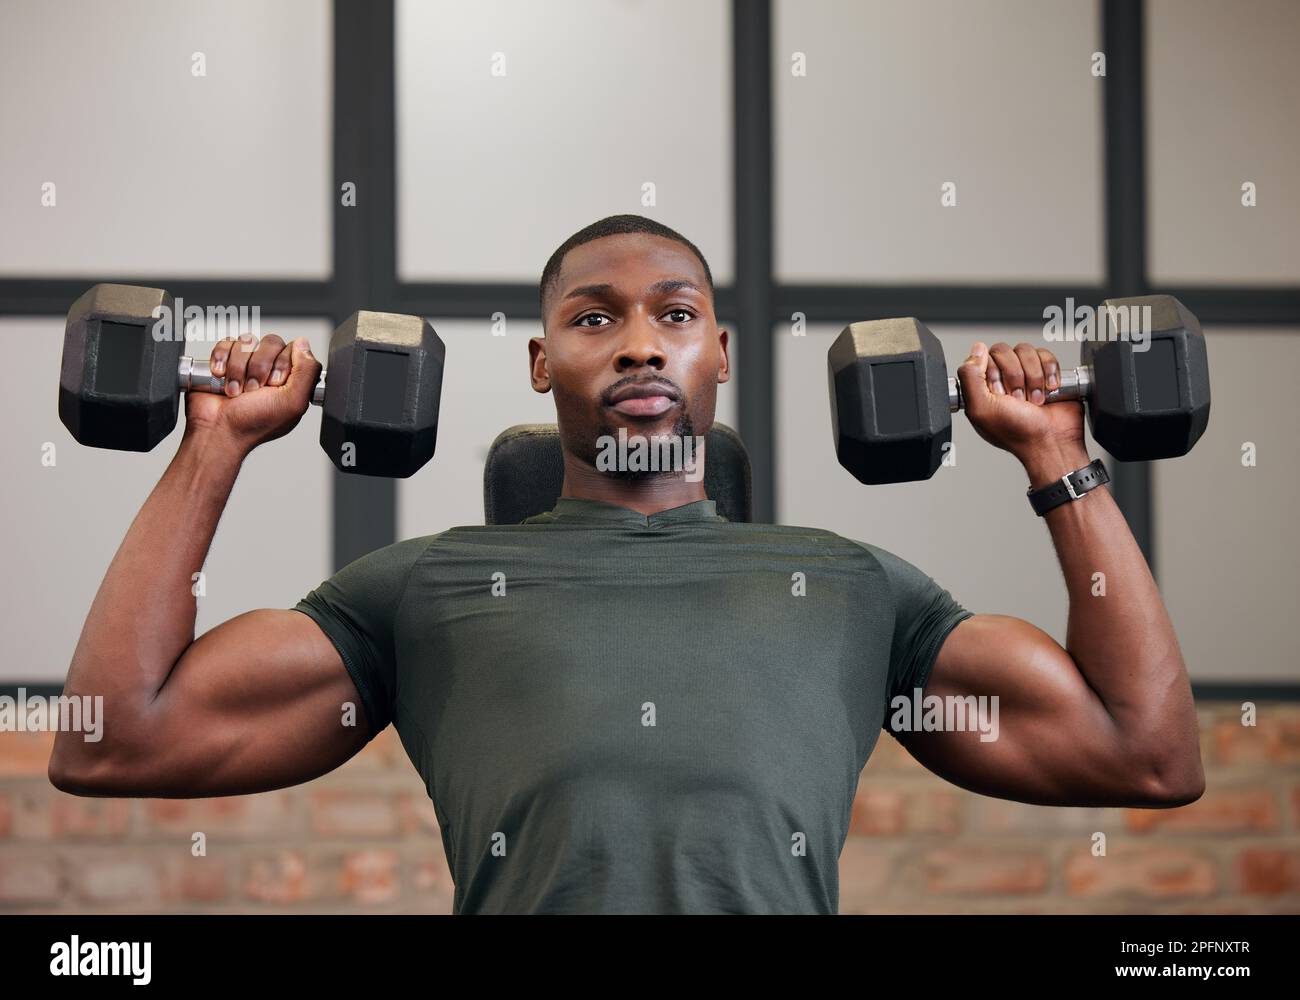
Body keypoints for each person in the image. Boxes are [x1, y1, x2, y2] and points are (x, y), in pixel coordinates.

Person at [49, 214, 1204, 914]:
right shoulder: (425, 590)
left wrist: (1058, 454)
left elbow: (1144, 755)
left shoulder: (853, 588)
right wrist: (214, 444)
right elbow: (115, 740)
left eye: (676, 314)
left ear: (722, 357)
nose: (641, 340)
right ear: (544, 365)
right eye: (595, 319)